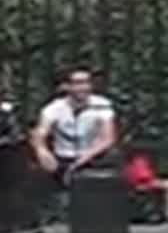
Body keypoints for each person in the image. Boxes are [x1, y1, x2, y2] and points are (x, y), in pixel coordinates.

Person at [30, 66, 118, 203]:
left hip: (92, 157)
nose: (83, 87)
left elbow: (107, 138)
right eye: (77, 83)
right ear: (67, 86)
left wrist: (83, 159)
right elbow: (39, 133)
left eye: (86, 82)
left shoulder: (102, 105)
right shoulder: (53, 108)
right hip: (62, 157)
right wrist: (42, 150)